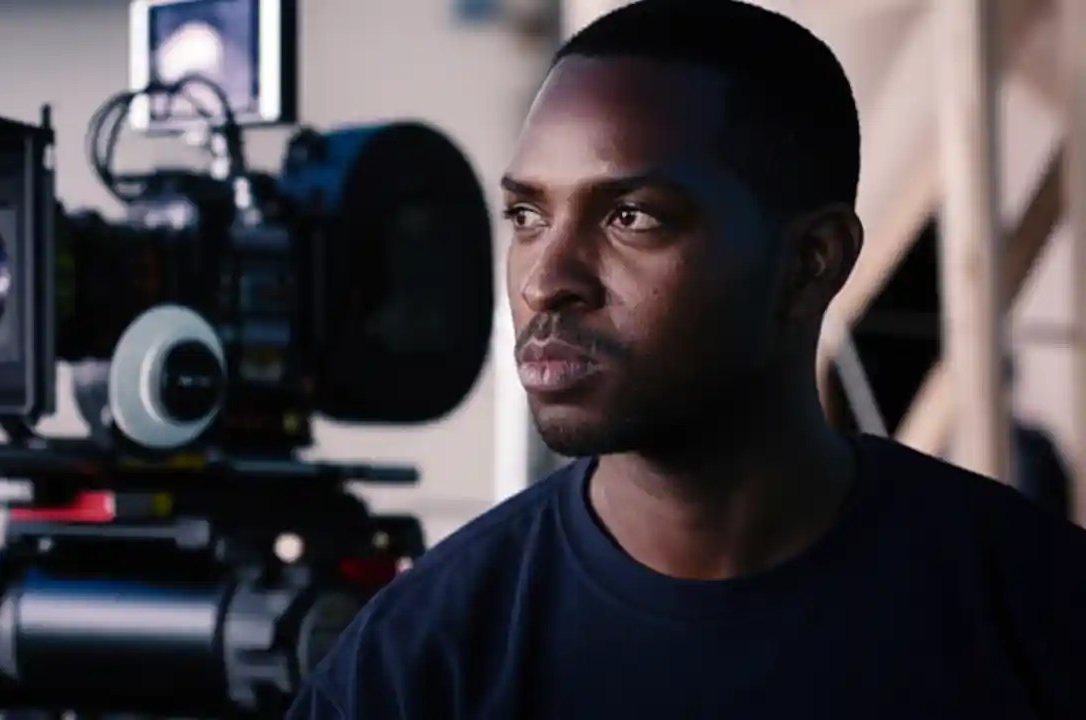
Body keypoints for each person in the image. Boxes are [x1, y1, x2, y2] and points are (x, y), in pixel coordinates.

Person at [286, 1, 1086, 717]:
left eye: (631, 217)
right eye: (527, 215)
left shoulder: (1040, 611)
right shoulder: (417, 662)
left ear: (809, 262)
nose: (545, 280)